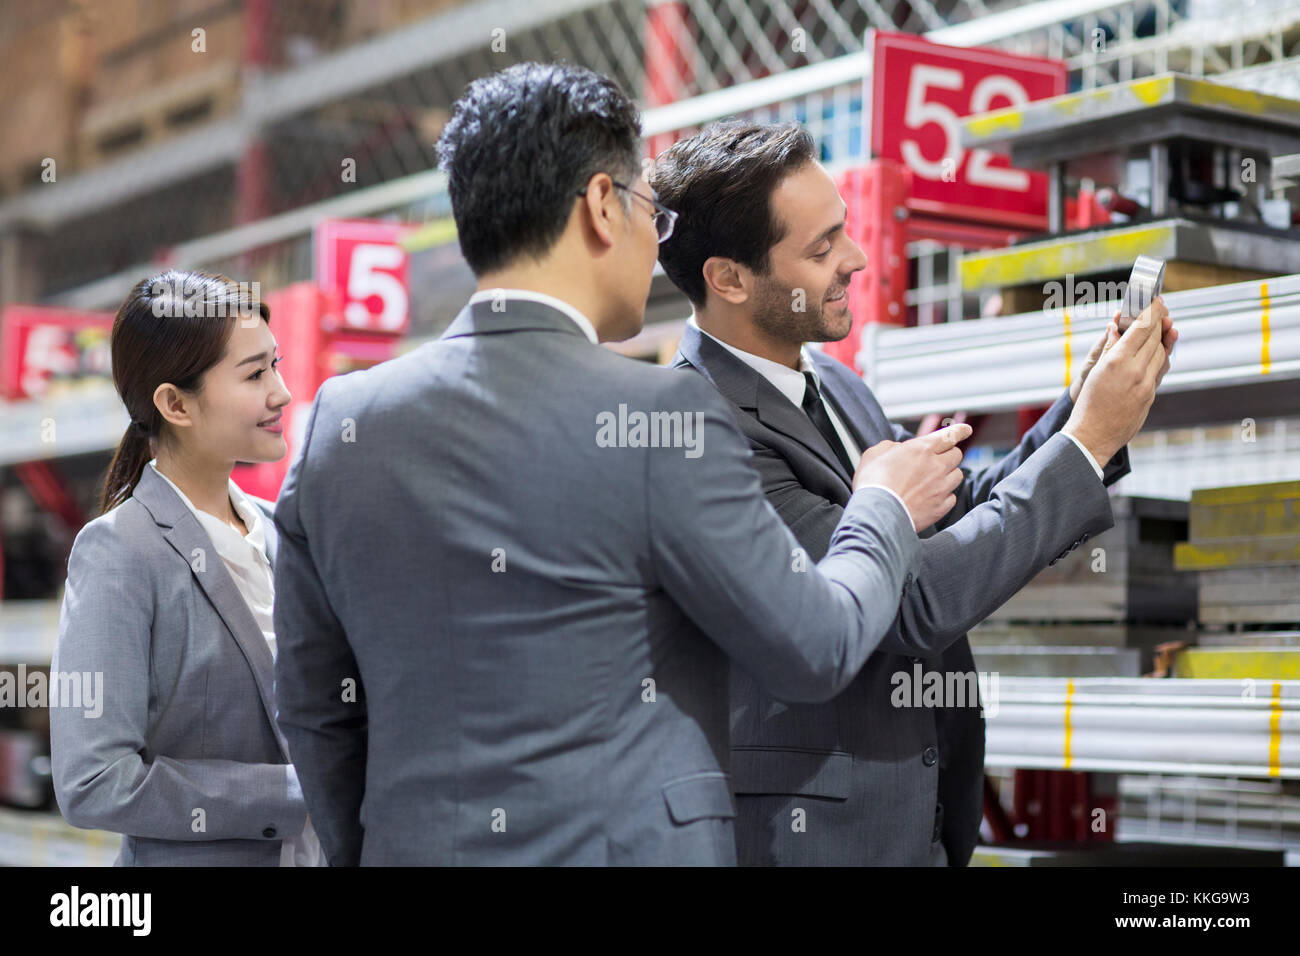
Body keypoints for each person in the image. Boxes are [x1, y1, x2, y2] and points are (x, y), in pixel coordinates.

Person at [271, 62, 972, 866]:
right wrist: (879, 501)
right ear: (602, 206)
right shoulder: (660, 415)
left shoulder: (343, 422)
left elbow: (316, 705)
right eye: (647, 207)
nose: (653, 239)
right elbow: (816, 647)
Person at [651, 121, 1178, 865]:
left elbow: (950, 507)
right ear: (729, 278)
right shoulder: (700, 429)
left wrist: (1083, 413)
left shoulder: (832, 383)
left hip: (918, 826)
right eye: (821, 248)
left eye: (845, 233)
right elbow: (908, 601)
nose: (856, 260)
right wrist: (1086, 444)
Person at [50, 269, 322, 866]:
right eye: (255, 374)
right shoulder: (120, 552)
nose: (281, 391)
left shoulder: (285, 533)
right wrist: (295, 795)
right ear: (175, 403)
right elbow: (93, 780)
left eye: (275, 364)